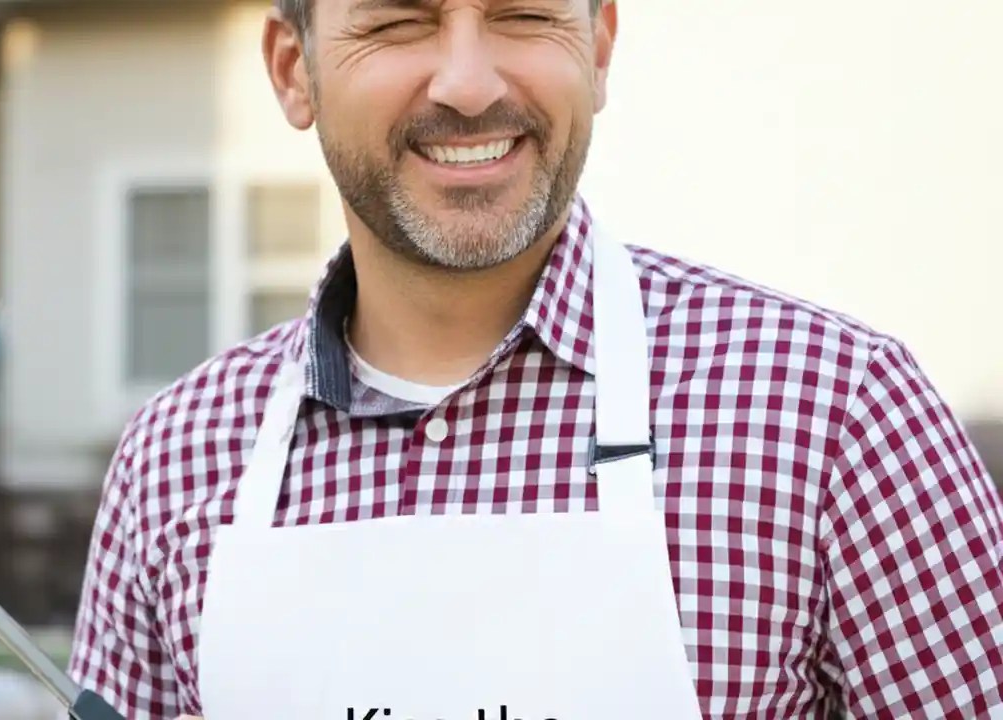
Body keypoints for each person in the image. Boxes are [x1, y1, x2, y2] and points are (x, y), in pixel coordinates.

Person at [66, 0, 1003, 717]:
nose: (468, 85)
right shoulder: (171, 460)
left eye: (521, 13)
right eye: (399, 21)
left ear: (599, 46)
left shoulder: (841, 415)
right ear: (292, 70)